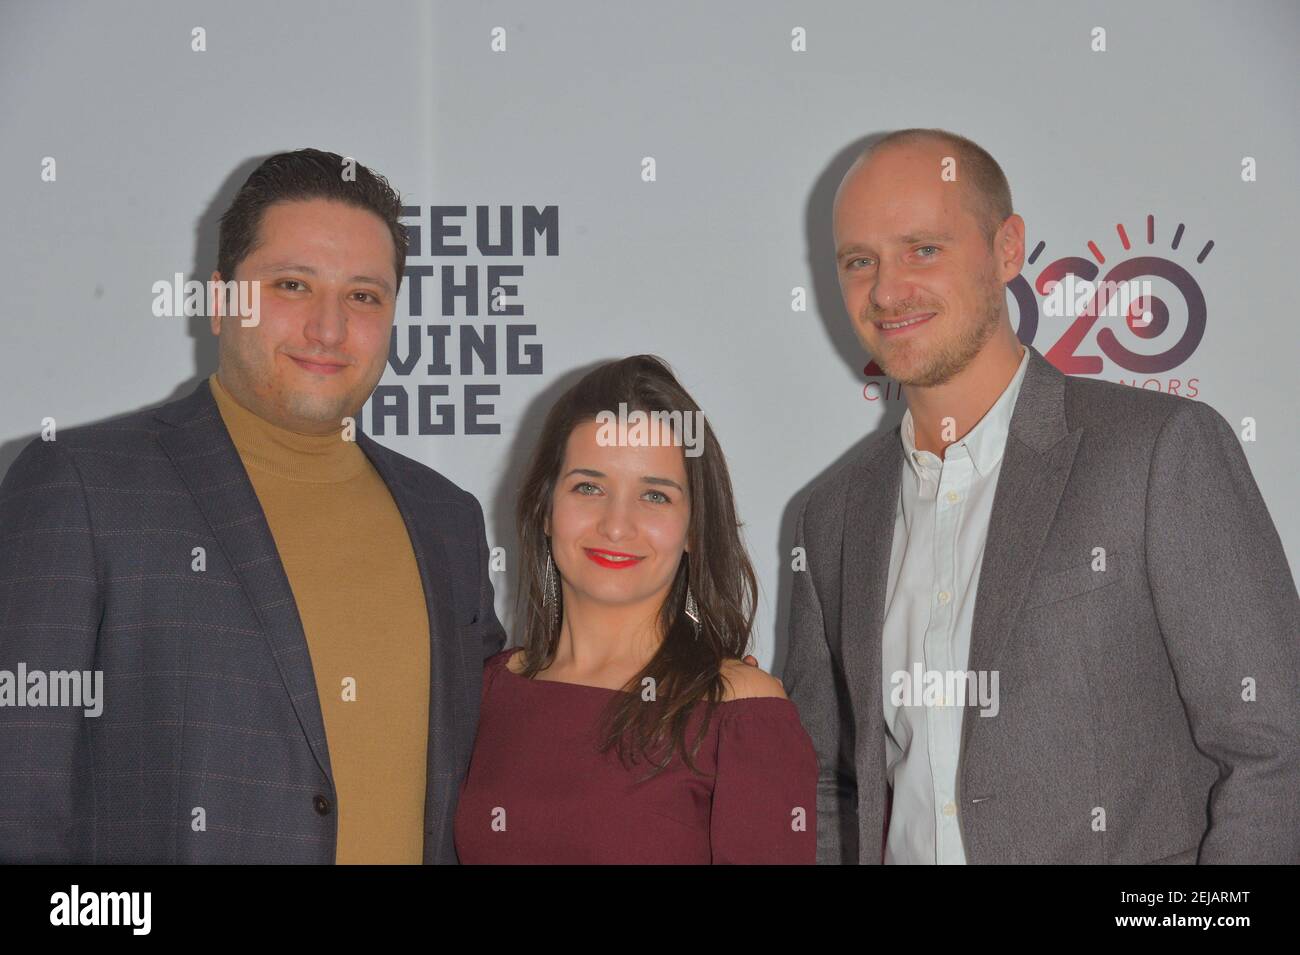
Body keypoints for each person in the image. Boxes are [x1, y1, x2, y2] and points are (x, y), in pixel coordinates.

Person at [784, 128, 1300, 864]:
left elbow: (1277, 752)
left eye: (922, 249)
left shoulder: (1157, 451)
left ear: (1007, 248)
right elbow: (826, 786)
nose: (888, 289)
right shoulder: (830, 514)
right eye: (859, 261)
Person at [0, 148, 504, 863]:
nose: (329, 329)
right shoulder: (81, 485)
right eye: (293, 284)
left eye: (364, 295)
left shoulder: (447, 519)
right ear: (218, 297)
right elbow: (16, 811)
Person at [454, 356, 817, 863]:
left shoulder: (739, 708)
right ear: (544, 507)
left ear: (694, 528)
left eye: (654, 495)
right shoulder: (487, 689)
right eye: (589, 487)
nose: (617, 525)